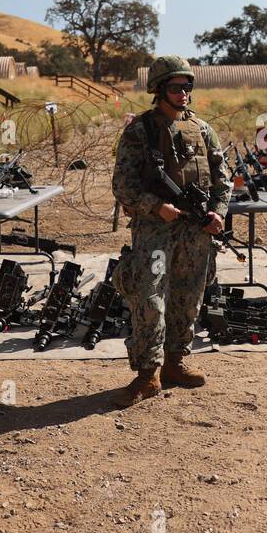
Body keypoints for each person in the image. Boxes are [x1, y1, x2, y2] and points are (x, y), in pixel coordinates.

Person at [110, 55, 229, 408]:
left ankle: (176, 362)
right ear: (160, 90)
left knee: (188, 297)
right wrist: (154, 206)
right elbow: (122, 184)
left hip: (195, 232)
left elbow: (222, 181)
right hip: (155, 231)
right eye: (177, 87)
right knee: (150, 299)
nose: (184, 93)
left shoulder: (203, 130)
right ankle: (148, 374)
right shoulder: (140, 130)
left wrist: (218, 213)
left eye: (188, 86)